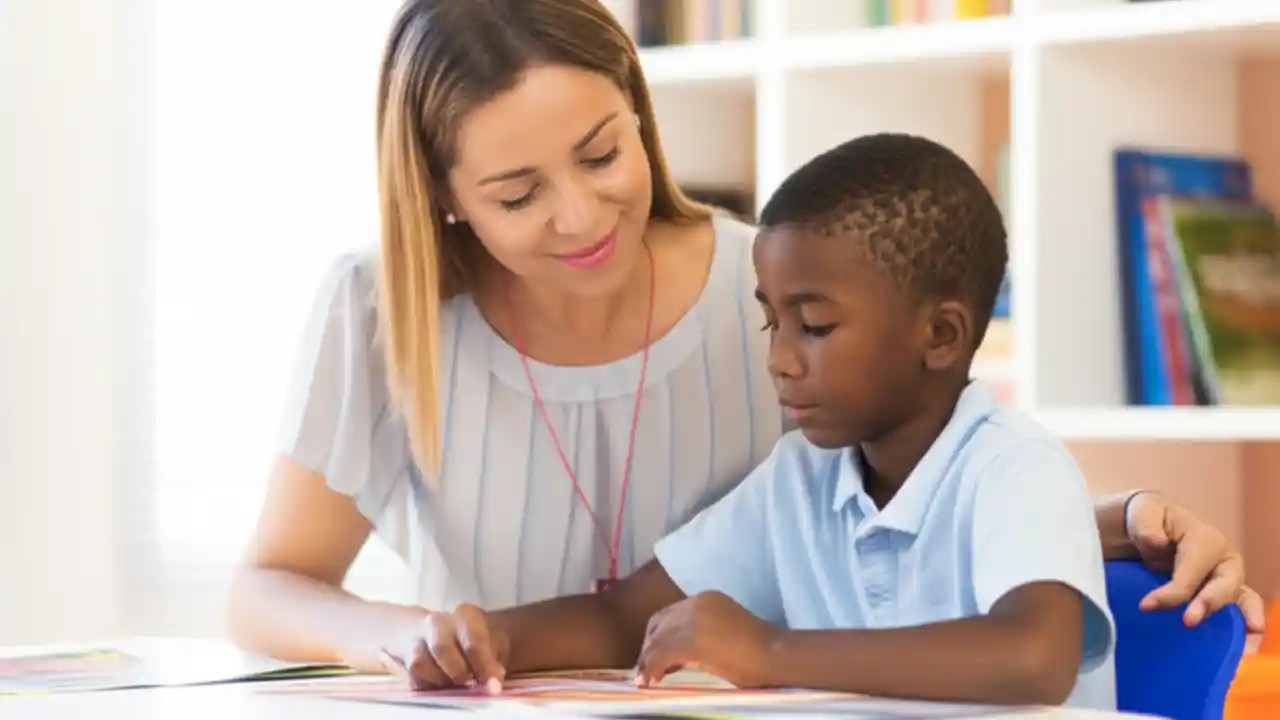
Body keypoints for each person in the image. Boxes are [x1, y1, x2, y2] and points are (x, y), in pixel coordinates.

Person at [226, 0, 1263, 677]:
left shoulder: (775, 284)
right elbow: (633, 610)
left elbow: (974, 549)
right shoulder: (379, 308)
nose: (581, 217)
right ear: (444, 201)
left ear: (638, 111)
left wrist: (1122, 519)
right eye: (515, 193)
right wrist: (458, 638)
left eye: (599, 155)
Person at [376, 133, 1118, 709]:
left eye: (816, 327)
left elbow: (1034, 657)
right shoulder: (802, 478)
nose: (782, 361)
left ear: (942, 336)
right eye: (773, 325)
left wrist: (772, 651)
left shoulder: (1014, 467)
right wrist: (489, 637)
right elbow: (627, 616)